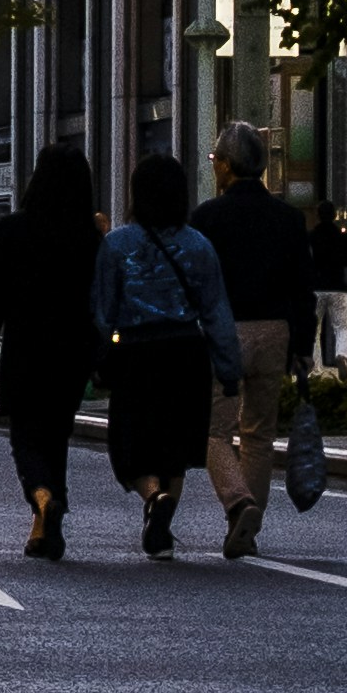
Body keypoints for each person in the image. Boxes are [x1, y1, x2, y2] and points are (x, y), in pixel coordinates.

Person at [91, 149, 244, 559]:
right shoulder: (198, 246)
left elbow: (102, 311)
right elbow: (216, 311)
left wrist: (99, 359)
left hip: (136, 353)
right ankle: (163, 521)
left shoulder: (117, 244)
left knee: (131, 443)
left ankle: (152, 498)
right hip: (186, 352)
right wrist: (230, 369)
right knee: (176, 444)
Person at [0, 140, 99, 560]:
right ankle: (45, 530)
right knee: (56, 434)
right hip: (73, 350)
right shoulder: (89, 236)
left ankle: (44, 499)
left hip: (26, 347)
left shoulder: (14, 229)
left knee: (25, 435)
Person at [196, 121, 316, 553]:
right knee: (259, 433)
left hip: (225, 331)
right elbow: (304, 288)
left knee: (212, 431)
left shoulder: (207, 218)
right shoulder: (287, 219)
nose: (214, 168)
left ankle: (237, 502)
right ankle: (250, 526)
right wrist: (303, 345)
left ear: (227, 166)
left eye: (215, 161)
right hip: (275, 333)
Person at [309, 197, 347, 374]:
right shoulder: (342, 237)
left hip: (316, 288)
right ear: (335, 215)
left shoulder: (311, 236)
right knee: (342, 326)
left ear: (317, 215)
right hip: (337, 287)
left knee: (314, 330)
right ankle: (341, 355)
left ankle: (316, 368)